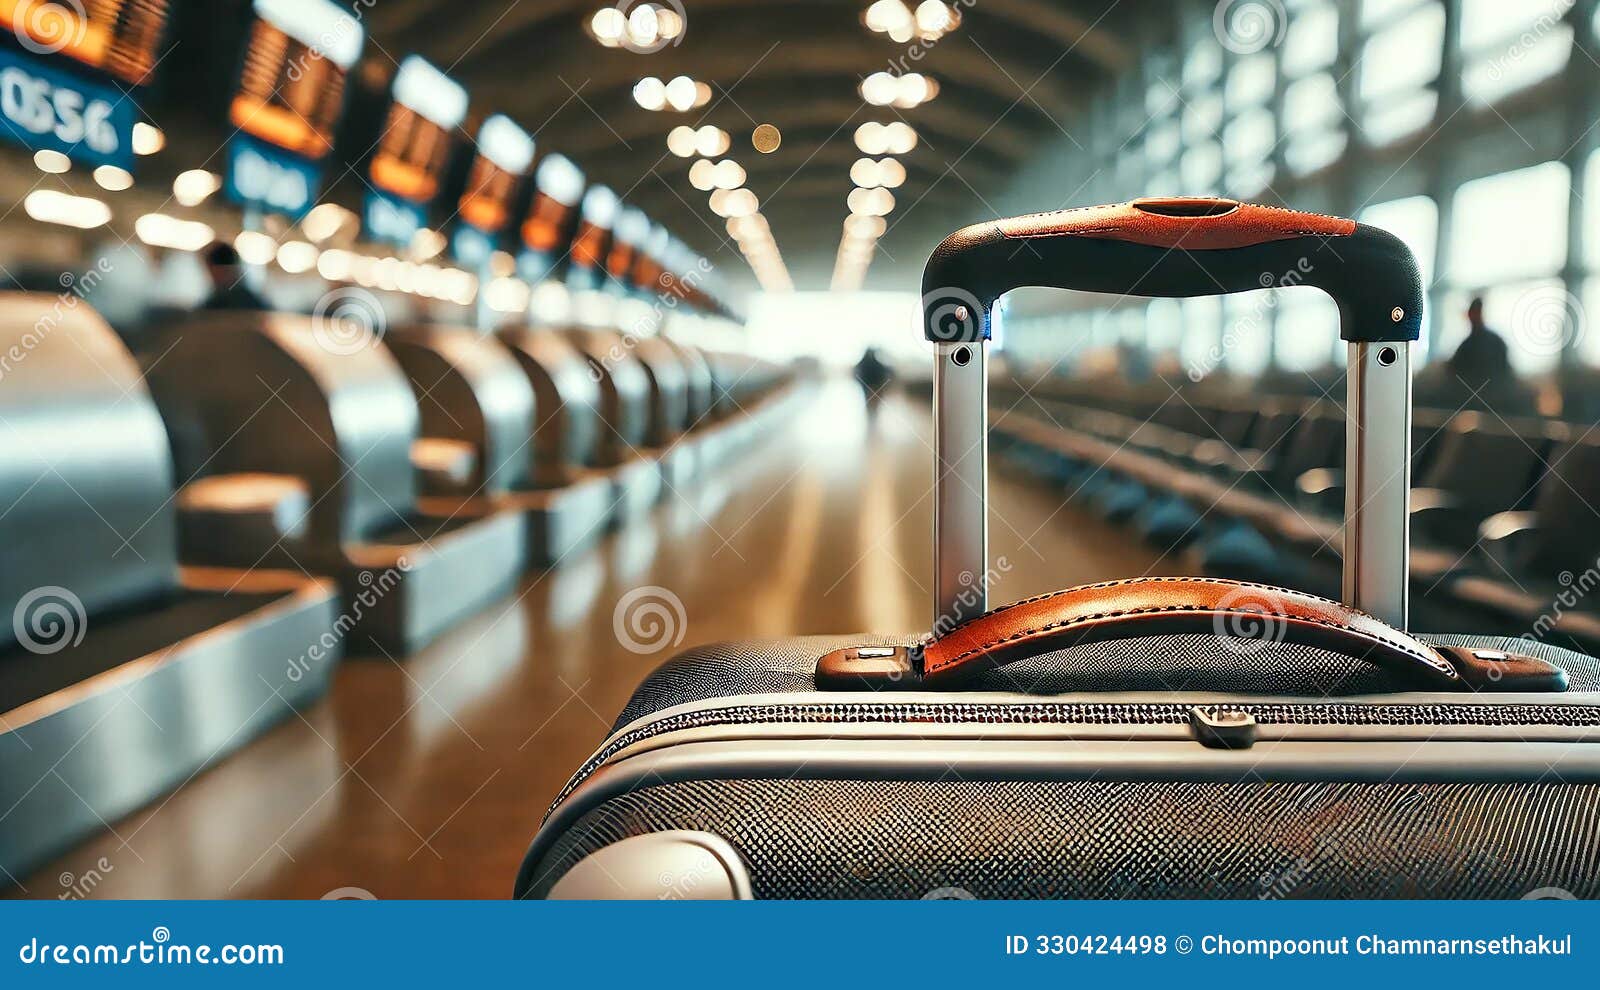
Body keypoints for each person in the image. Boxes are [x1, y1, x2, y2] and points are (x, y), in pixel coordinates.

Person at [1447, 296, 1511, 389]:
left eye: (1475, 313)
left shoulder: (1493, 341)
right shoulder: (1468, 344)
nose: (1473, 317)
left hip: (1487, 389)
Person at [200, 241, 267, 311]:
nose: (210, 276)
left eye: (210, 270)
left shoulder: (220, 301)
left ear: (218, 270)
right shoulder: (256, 300)